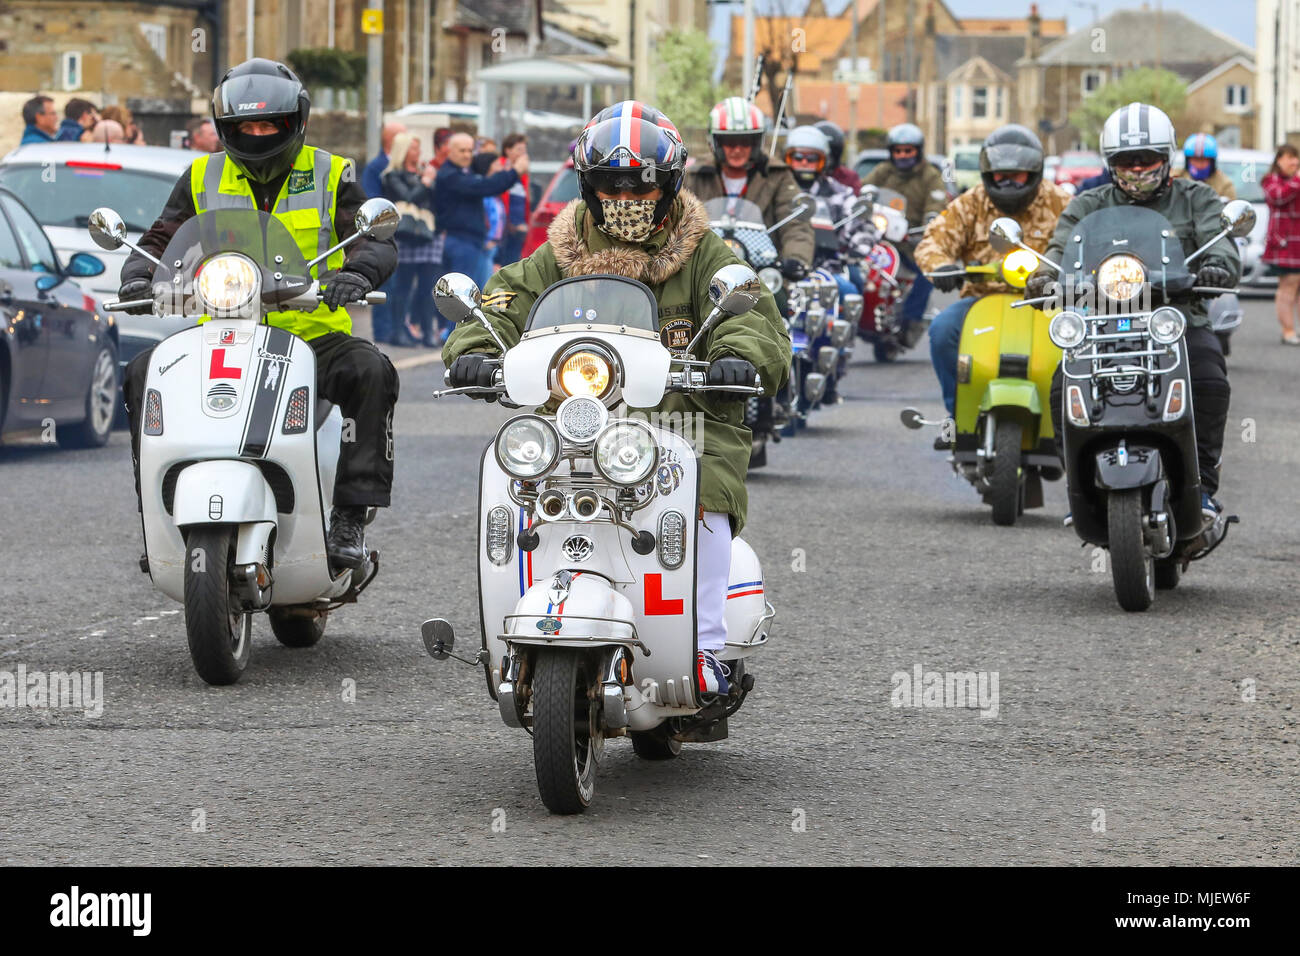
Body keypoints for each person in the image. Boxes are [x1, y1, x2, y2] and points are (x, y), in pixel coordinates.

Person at [443, 100, 790, 698]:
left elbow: (754, 316)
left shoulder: (707, 254)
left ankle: (703, 647)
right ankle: (508, 632)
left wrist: (740, 356)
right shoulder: (559, 254)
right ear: (589, 186)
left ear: (669, 184)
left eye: (641, 184)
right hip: (574, 422)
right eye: (610, 184)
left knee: (701, 491)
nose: (626, 196)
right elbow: (502, 301)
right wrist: (474, 347)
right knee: (515, 481)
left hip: (685, 421)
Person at [118, 58, 399, 570]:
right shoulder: (201, 174)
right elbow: (161, 236)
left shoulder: (330, 172)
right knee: (142, 372)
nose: (257, 132)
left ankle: (351, 517)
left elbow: (374, 239)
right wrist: (139, 275)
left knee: (370, 369)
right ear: (227, 128)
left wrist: (358, 274)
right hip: (224, 336)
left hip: (313, 337)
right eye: (246, 125)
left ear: (295, 122)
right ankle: (155, 521)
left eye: (269, 123)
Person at [1027, 102, 1236, 522]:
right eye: (1127, 161)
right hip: (1102, 322)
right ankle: (1080, 486)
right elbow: (1058, 250)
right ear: (1112, 163)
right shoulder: (1087, 205)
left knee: (1211, 379)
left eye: (1148, 159)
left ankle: (1204, 489)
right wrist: (1042, 276)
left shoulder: (1197, 199)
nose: (1138, 169)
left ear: (1167, 158)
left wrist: (1218, 265)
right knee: (1060, 388)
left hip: (1176, 320)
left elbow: (1223, 246)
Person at [916, 124, 1070, 419]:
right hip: (980, 301)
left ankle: (1069, 418)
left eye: (1018, 176)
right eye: (1001, 176)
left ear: (1035, 172)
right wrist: (941, 267)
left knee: (1082, 340)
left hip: (1047, 303)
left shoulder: (1061, 203)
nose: (1009, 183)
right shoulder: (970, 203)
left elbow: (1084, 241)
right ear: (988, 173)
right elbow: (932, 240)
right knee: (942, 331)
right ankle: (958, 413)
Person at [686, 96, 814, 280]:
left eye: (745, 141)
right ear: (715, 142)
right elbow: (678, 221)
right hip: (704, 270)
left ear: (757, 142)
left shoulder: (778, 175)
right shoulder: (696, 175)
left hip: (764, 272)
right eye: (729, 142)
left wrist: (796, 258)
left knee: (782, 305)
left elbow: (795, 225)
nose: (737, 149)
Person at [863, 123, 950, 329]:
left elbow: (936, 201)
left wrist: (930, 221)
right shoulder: (884, 171)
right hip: (879, 237)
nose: (902, 155)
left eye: (908, 150)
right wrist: (861, 199)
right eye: (898, 151)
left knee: (929, 270)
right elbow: (864, 188)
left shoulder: (930, 175)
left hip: (912, 241)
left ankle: (911, 317)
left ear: (918, 151)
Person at [433, 132, 524, 289]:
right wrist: (514, 172)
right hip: (460, 242)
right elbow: (485, 186)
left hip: (473, 242)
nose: (467, 155)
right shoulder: (450, 175)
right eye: (462, 151)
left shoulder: (465, 171)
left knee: (477, 292)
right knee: (460, 293)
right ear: (450, 151)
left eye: (470, 150)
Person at [381, 131, 440, 347]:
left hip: (427, 234)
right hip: (406, 235)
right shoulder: (392, 175)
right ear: (403, 150)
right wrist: (425, 183)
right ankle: (398, 331)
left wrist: (428, 181)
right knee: (403, 286)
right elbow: (406, 198)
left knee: (428, 287)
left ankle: (427, 332)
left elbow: (435, 202)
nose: (418, 152)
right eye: (414, 148)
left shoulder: (423, 173)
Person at [363, 120, 408, 346]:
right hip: (383, 234)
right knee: (386, 284)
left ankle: (396, 330)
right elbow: (370, 197)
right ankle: (383, 331)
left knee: (400, 287)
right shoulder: (377, 167)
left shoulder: (403, 166)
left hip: (402, 235)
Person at [1262, 143, 1300, 345]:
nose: (1294, 162)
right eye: (1290, 157)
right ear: (1279, 160)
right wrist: (1297, 181)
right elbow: (1279, 197)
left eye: (1296, 157)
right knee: (1288, 285)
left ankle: (1295, 330)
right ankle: (1288, 330)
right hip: (1285, 243)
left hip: (1298, 242)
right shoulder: (1270, 180)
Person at [494, 133, 530, 267]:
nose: (522, 154)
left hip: (519, 224)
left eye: (524, 150)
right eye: (519, 150)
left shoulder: (523, 173)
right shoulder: (502, 167)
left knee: (514, 262)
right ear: (508, 150)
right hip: (505, 225)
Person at [472, 150, 505, 281]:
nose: (500, 166)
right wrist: (487, 240)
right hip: (485, 245)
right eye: (497, 163)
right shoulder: (484, 191)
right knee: (483, 283)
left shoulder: (494, 191)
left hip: (493, 245)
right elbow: (485, 217)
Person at [1178, 134, 1236, 199]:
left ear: (1212, 162)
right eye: (1195, 160)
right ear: (1187, 161)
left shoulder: (1225, 185)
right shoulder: (1176, 179)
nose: (1199, 165)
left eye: (1203, 160)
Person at [814, 119, 863, 192]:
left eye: (830, 156)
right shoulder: (804, 175)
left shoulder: (849, 177)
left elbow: (856, 198)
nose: (826, 161)